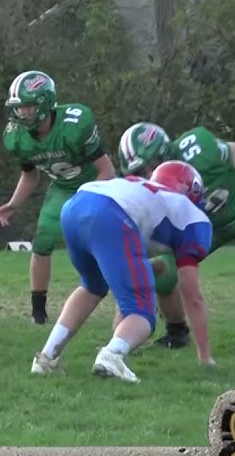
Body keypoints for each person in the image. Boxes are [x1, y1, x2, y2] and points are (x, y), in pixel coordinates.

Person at [116, 123, 235, 355]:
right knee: (162, 272)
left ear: (166, 153)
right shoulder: (148, 190)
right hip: (207, 227)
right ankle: (177, 331)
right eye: (140, 173)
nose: (148, 176)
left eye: (150, 166)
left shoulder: (199, 150)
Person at [31, 162, 215, 381]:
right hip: (111, 215)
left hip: (76, 205)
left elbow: (127, 259)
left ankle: (46, 358)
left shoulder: (143, 191)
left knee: (92, 286)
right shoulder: (193, 218)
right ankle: (112, 354)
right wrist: (205, 355)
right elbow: (192, 296)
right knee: (142, 311)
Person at [0, 71, 117, 325]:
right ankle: (38, 312)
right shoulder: (17, 137)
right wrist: (14, 203)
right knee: (42, 240)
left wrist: (86, 198)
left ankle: (140, 295)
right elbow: (30, 177)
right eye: (19, 108)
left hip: (97, 186)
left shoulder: (74, 124)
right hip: (62, 188)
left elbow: (107, 170)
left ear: (45, 103)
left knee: (111, 245)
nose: (22, 113)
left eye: (28, 107)